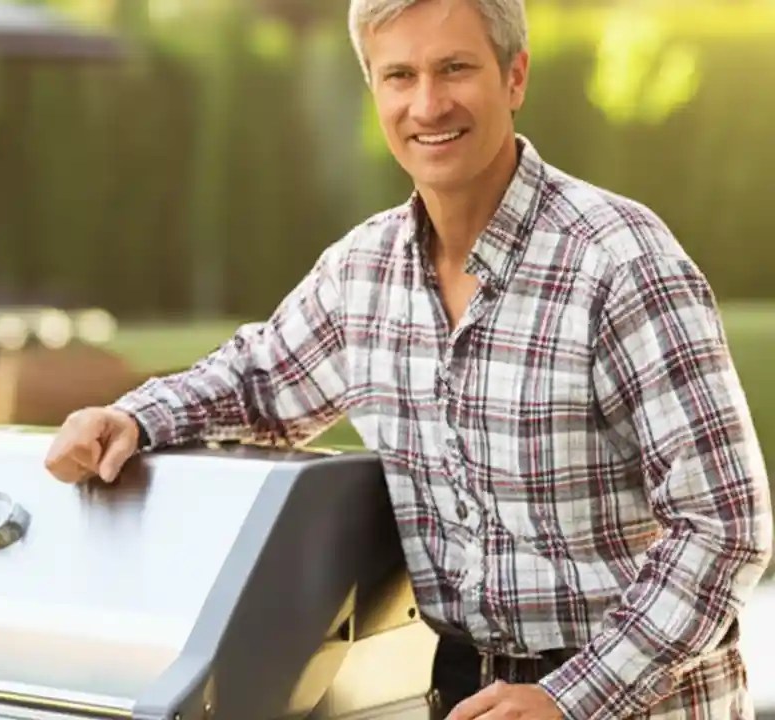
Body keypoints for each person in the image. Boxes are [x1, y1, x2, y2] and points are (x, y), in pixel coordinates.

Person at [44, 0, 773, 716]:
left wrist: (567, 701)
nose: (427, 104)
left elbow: (726, 526)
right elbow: (259, 380)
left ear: (514, 77)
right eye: (399, 76)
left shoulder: (620, 261)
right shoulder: (362, 272)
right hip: (454, 695)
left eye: (454, 68)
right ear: (374, 89)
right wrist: (131, 418)